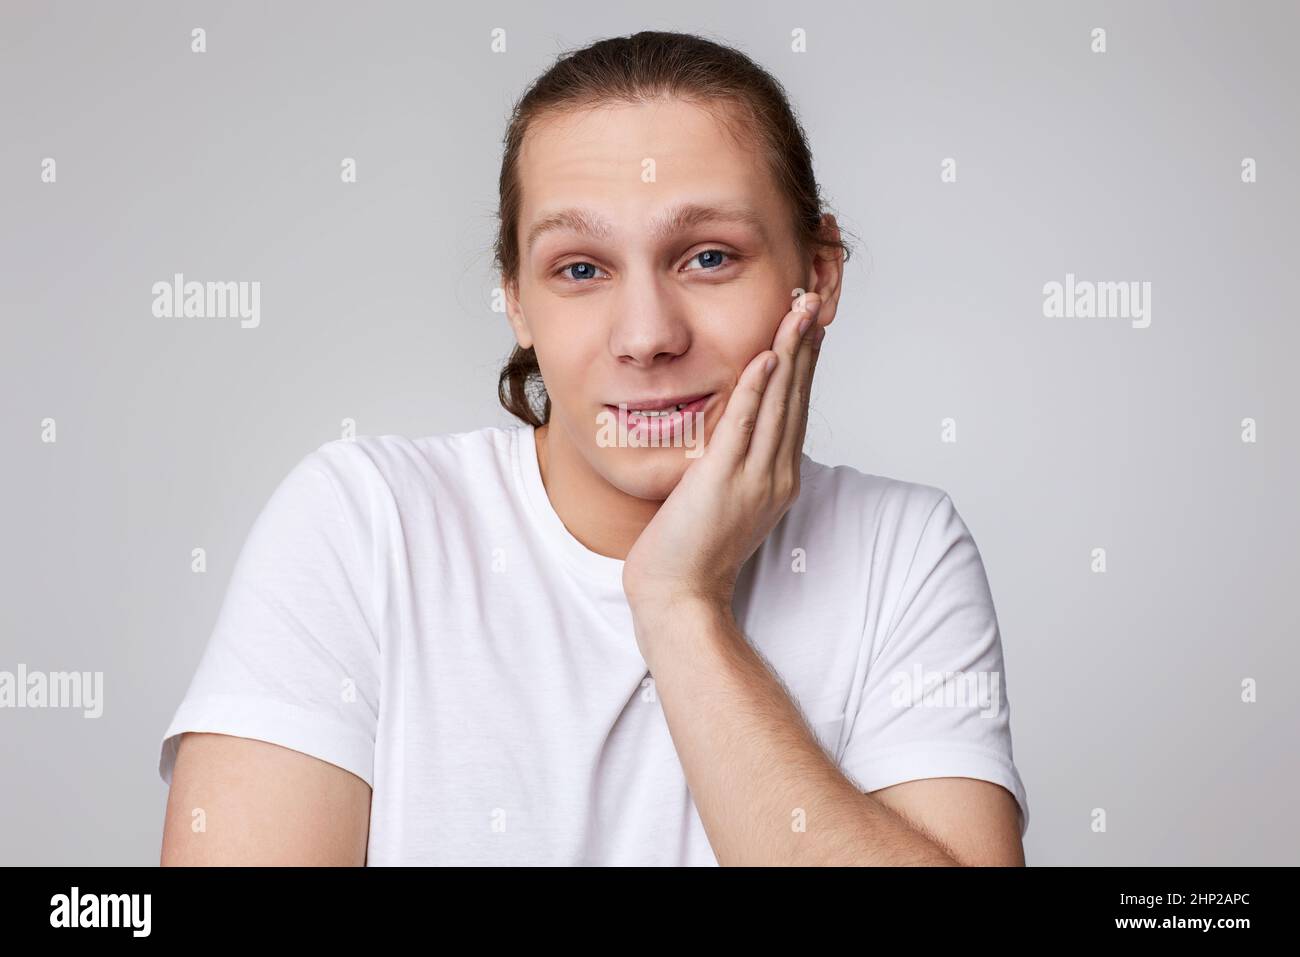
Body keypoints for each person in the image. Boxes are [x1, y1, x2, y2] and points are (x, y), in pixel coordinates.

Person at [159, 30, 1029, 866]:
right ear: (517, 301)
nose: (646, 336)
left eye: (709, 256)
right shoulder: (362, 525)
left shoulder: (901, 551)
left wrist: (680, 603)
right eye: (580, 268)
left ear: (819, 274)